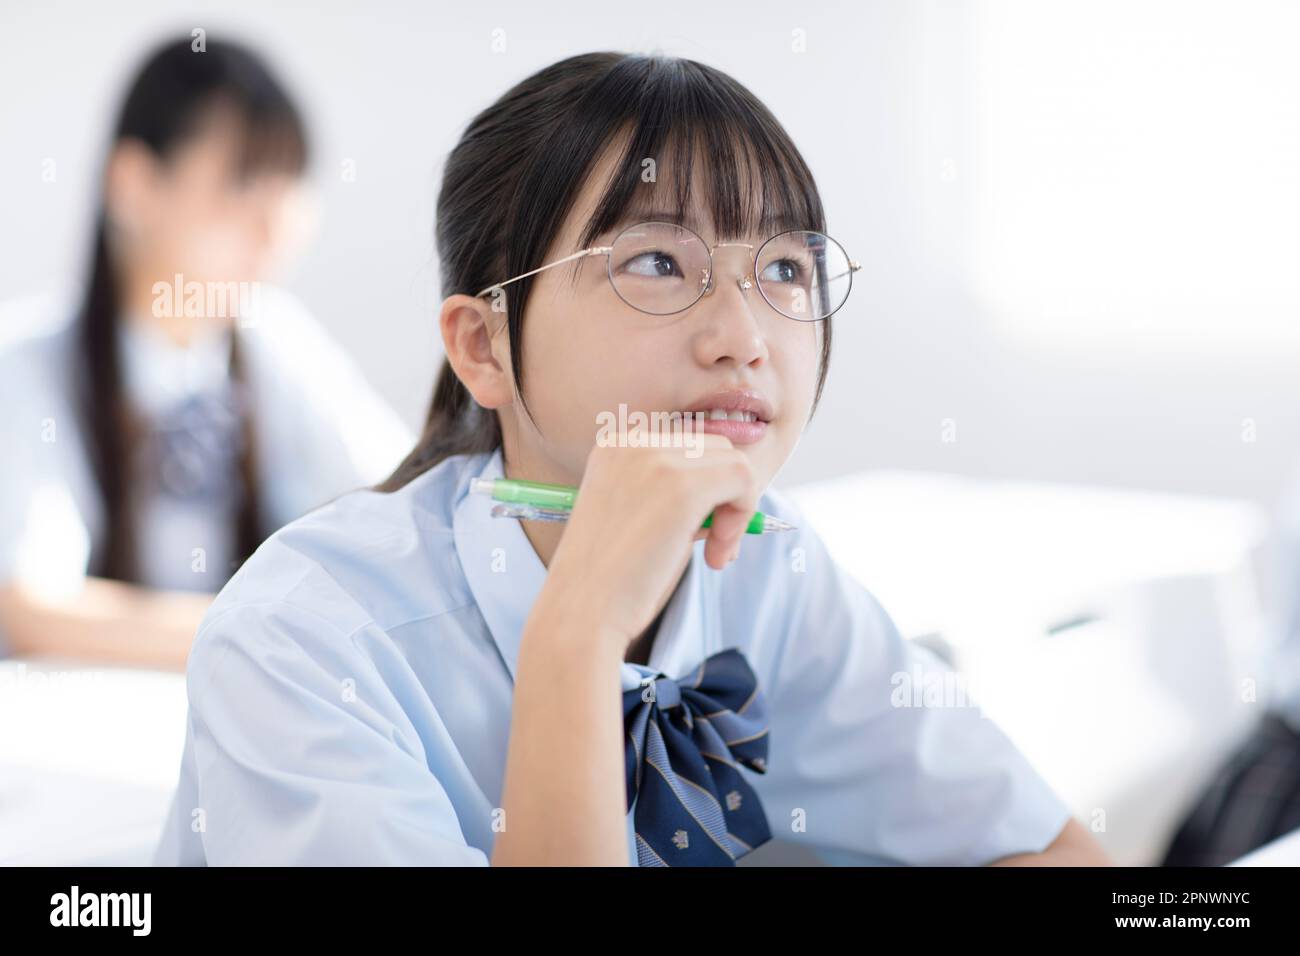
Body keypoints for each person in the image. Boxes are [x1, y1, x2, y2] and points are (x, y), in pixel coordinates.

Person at [154, 51, 1109, 865]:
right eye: (657, 262)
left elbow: (1050, 846)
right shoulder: (302, 636)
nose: (744, 336)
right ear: (484, 346)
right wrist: (578, 633)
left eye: (783, 269)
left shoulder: (773, 566)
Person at [0, 37, 412, 670]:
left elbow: (407, 499)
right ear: (134, 185)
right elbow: (31, 608)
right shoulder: (27, 365)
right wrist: (267, 632)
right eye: (243, 183)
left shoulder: (275, 345)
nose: (276, 226)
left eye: (290, 188)